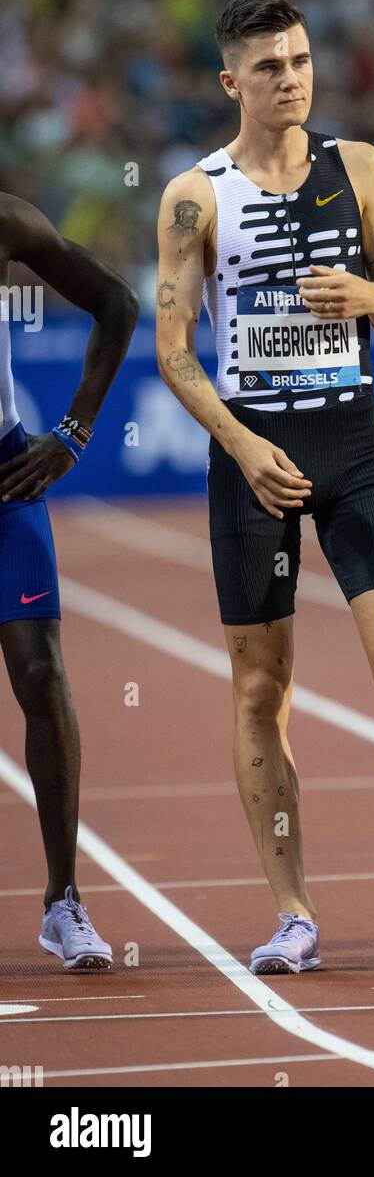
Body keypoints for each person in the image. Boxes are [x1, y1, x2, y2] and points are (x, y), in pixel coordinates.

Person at [155, 0, 374, 973]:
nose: (291, 78)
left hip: (350, 448)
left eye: (299, 60)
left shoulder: (362, 168)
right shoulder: (194, 196)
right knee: (262, 691)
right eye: (268, 67)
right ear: (231, 82)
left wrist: (373, 295)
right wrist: (240, 445)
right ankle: (292, 914)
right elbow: (173, 352)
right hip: (251, 461)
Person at [0, 193, 138, 968]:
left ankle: (63, 902)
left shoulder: (6, 223)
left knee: (43, 674)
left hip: (6, 479)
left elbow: (116, 302)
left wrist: (75, 432)